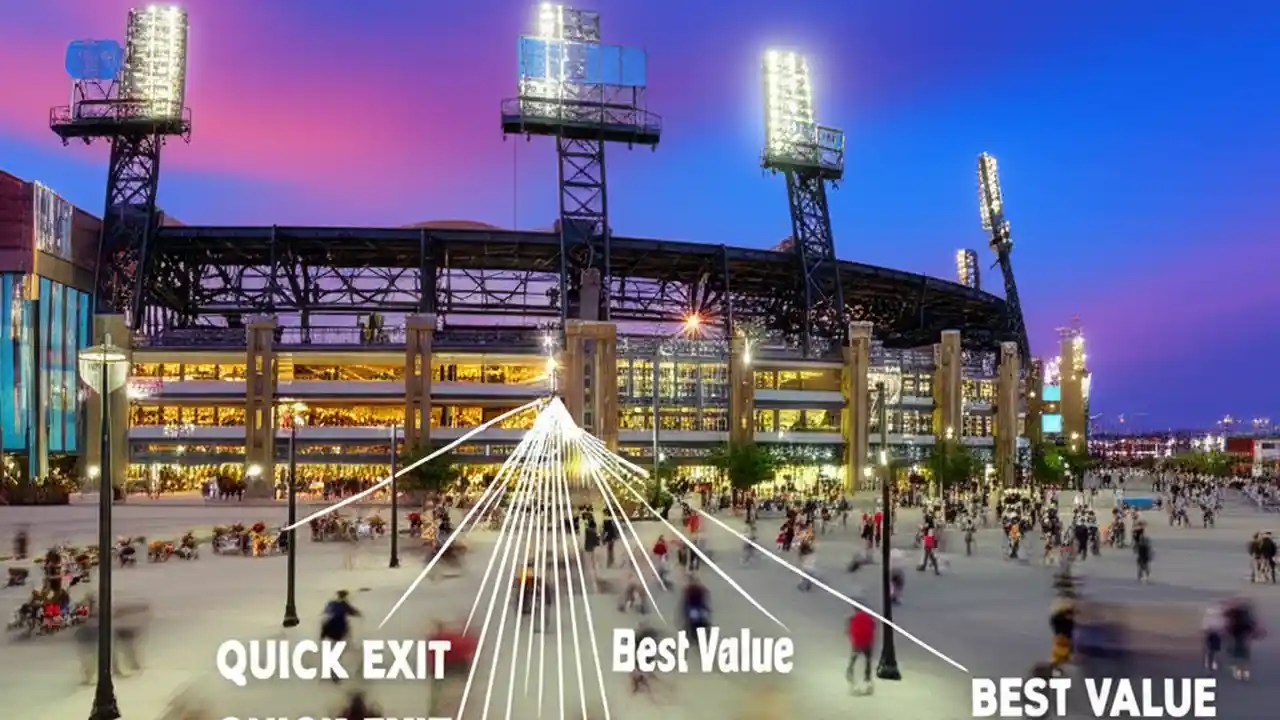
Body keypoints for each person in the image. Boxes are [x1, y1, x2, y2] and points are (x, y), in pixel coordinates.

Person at [846, 604, 876, 695]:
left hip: (857, 642)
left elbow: (850, 630)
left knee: (854, 658)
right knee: (868, 660)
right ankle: (867, 677)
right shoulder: (870, 618)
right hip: (867, 642)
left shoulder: (853, 618)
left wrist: (852, 639)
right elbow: (873, 627)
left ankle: (850, 672)